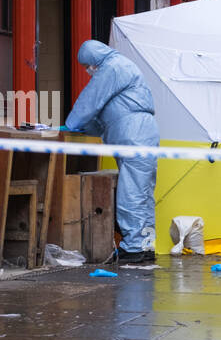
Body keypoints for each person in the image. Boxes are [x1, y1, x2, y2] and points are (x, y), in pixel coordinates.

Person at [64, 39, 160, 264]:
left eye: (88, 65)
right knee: (142, 194)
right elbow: (108, 114)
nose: (89, 71)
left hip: (133, 137)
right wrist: (86, 125)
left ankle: (134, 249)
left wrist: (71, 123)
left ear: (94, 59)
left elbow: (90, 101)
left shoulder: (113, 68)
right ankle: (144, 246)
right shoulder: (121, 67)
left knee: (132, 195)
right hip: (138, 135)